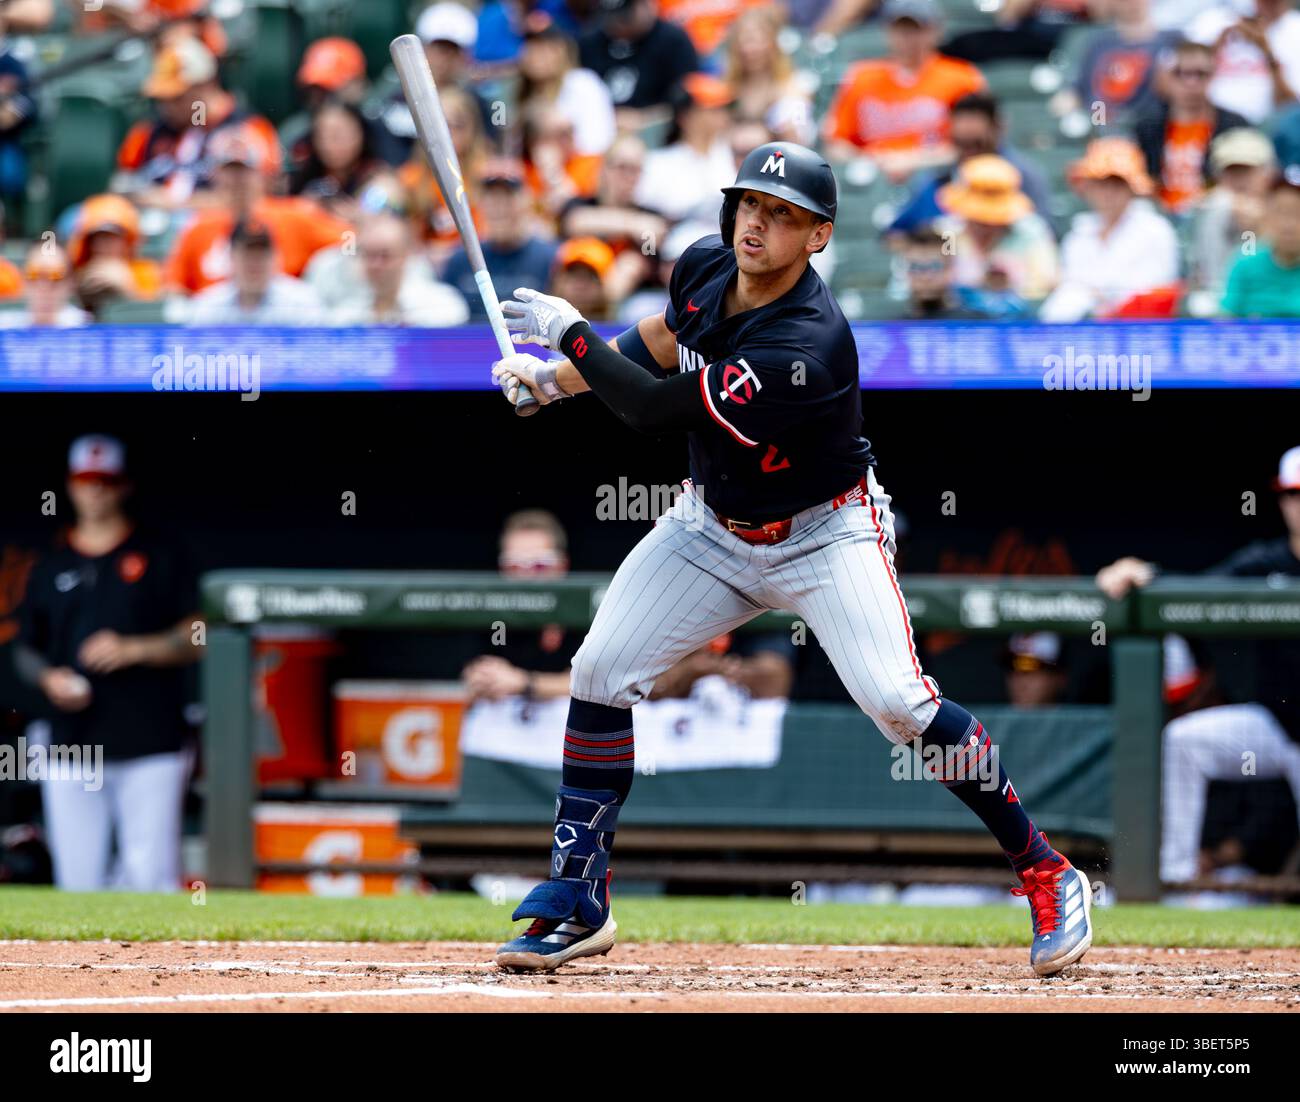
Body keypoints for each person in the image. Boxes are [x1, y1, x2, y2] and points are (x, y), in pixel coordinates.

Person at [490, 140, 1096, 976]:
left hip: (824, 531)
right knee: (600, 670)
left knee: (899, 702)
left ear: (817, 236)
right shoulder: (705, 266)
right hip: (713, 526)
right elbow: (662, 342)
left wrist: (575, 339)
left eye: (783, 216)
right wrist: (554, 378)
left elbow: (658, 411)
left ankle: (1045, 869)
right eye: (750, 205)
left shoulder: (806, 341)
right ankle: (578, 893)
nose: (758, 225)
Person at [1095, 445, 1300, 886]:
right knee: (1183, 742)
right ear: (1281, 500)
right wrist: (1142, 572)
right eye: (1293, 495)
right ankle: (1175, 878)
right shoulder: (1266, 562)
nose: (1299, 506)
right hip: (1277, 725)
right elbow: (1191, 592)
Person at [13, 435, 201, 891]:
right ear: (71, 486)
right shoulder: (50, 563)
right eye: (85, 480)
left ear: (123, 486)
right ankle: (82, 967)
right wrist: (48, 677)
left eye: (105, 481)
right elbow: (23, 648)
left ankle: (159, 967)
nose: (95, 491)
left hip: (149, 739)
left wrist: (136, 648)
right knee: (78, 880)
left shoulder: (158, 555)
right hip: (72, 742)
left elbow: (201, 633)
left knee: (153, 876)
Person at [164, 123, 351, 295]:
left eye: (244, 170)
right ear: (216, 175)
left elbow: (349, 240)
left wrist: (318, 281)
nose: (237, 179)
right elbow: (171, 286)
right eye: (229, 171)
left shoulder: (293, 216)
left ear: (261, 173)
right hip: (219, 325)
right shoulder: (199, 227)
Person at [822, 0, 987, 183]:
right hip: (873, 179)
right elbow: (836, 144)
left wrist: (913, 160)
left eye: (916, 29)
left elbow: (973, 146)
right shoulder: (861, 77)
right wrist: (872, 163)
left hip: (939, 179)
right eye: (900, 29)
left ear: (935, 31)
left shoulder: (961, 78)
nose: (907, 37)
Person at [114, 35, 281, 209]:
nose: (167, 107)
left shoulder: (250, 130)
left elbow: (254, 205)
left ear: (205, 86)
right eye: (162, 99)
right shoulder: (150, 132)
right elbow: (121, 186)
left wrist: (170, 203)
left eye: (177, 97)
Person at [1039, 137, 1180, 320]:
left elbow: (1154, 291)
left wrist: (1100, 298)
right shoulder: (1079, 233)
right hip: (1082, 334)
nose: (1107, 192)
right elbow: (1069, 287)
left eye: (1116, 184)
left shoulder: (1155, 231)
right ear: (1088, 188)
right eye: (1100, 184)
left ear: (1132, 188)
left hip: (1138, 334)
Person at [887, 92, 1054, 235]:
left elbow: (1042, 234)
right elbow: (899, 233)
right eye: (962, 144)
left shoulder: (1021, 176)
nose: (969, 154)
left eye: (976, 144)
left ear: (997, 129)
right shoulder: (940, 180)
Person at [462, 510, 581, 703]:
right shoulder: (494, 614)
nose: (527, 576)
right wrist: (482, 677)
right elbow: (474, 668)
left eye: (539, 566)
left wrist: (525, 683)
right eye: (515, 566)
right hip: (505, 713)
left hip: (571, 714)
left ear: (562, 566)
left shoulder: (584, 609)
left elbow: (596, 683)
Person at [1132, 38, 1249, 214]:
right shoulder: (1147, 128)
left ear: (1213, 76)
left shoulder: (1234, 126)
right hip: (1159, 216)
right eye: (1181, 73)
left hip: (1212, 214)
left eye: (1200, 74)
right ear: (1167, 77)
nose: (1191, 83)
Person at [441, 158, 558, 322]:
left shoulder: (550, 259)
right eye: (492, 197)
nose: (499, 206)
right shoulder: (461, 259)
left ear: (527, 201)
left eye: (508, 197)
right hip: (471, 346)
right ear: (480, 204)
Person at [936, 154, 1060, 302]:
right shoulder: (948, 233)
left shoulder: (1031, 232)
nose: (985, 225)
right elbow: (938, 276)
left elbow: (1046, 283)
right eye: (978, 219)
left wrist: (1011, 284)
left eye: (992, 220)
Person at [1185, 126, 1276, 308]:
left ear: (1267, 173)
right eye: (1232, 171)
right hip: (1218, 297)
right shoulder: (1212, 207)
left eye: (1247, 170)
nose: (1239, 179)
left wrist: (1260, 227)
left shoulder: (1284, 206)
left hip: (1270, 300)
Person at [579, 0, 703, 131]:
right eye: (612, 16)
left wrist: (644, 117)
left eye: (624, 17)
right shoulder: (589, 43)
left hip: (657, 129)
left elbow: (687, 98)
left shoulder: (672, 41)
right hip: (598, 126)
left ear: (647, 5)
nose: (617, 24)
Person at [1055, 0, 1180, 128]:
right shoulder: (1099, 42)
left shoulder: (1172, 42)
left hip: (1144, 130)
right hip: (1097, 126)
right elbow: (1076, 90)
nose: (1131, 4)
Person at [331, 212, 469, 326]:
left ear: (406, 255)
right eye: (369, 255)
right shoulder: (348, 308)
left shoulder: (440, 302)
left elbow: (456, 316)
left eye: (385, 256)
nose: (375, 264)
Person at [634, 73, 738, 222]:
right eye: (712, 109)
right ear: (685, 116)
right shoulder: (658, 163)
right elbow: (649, 213)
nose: (722, 115)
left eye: (723, 108)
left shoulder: (733, 153)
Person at [184, 218, 323, 325]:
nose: (254, 263)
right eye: (247, 256)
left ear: (274, 258)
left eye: (261, 255)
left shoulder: (302, 302)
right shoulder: (209, 306)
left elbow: (317, 355)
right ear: (231, 257)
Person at [515, 12, 616, 158]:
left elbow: (597, 144)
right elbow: (505, 139)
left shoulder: (582, 84)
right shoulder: (517, 94)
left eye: (545, 45)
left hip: (578, 172)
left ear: (562, 49)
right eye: (530, 45)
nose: (535, 53)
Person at [1187, 0, 1300, 124]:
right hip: (1212, 123)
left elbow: (1289, 106)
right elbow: (1179, 82)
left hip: (1269, 126)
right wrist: (1217, 46)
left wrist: (1266, 51)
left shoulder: (1294, 28)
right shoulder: (1211, 21)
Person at [723, 5, 816, 145]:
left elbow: (799, 133)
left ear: (773, 43)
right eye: (743, 41)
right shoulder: (726, 88)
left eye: (756, 41)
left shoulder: (795, 87)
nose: (749, 49)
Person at [288, 98, 393, 223]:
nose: (327, 144)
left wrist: (356, 218)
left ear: (360, 134)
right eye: (321, 136)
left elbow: (384, 226)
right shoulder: (307, 181)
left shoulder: (380, 181)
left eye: (337, 135)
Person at [66, 194, 164, 317]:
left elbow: (156, 318)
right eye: (95, 238)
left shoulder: (145, 272)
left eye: (111, 238)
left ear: (127, 241)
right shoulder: (73, 273)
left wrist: (128, 288)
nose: (101, 246)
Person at [1220, 172, 1300, 315]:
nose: (1289, 224)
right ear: (1267, 214)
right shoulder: (1245, 264)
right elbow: (1226, 322)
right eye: (1280, 212)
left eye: (1297, 214)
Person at [0, 243, 91, 328]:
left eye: (56, 276)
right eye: (33, 275)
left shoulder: (86, 329)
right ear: (23, 280)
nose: (44, 286)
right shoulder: (6, 327)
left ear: (70, 283)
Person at [549, 236, 616, 320]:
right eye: (573, 275)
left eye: (591, 277)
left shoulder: (621, 329)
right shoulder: (539, 327)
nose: (580, 286)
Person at [1004, 633, 1068, 709]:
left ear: (1060, 678)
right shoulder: (992, 720)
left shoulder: (1077, 720)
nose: (1020, 683)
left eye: (1029, 672)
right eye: (1012, 669)